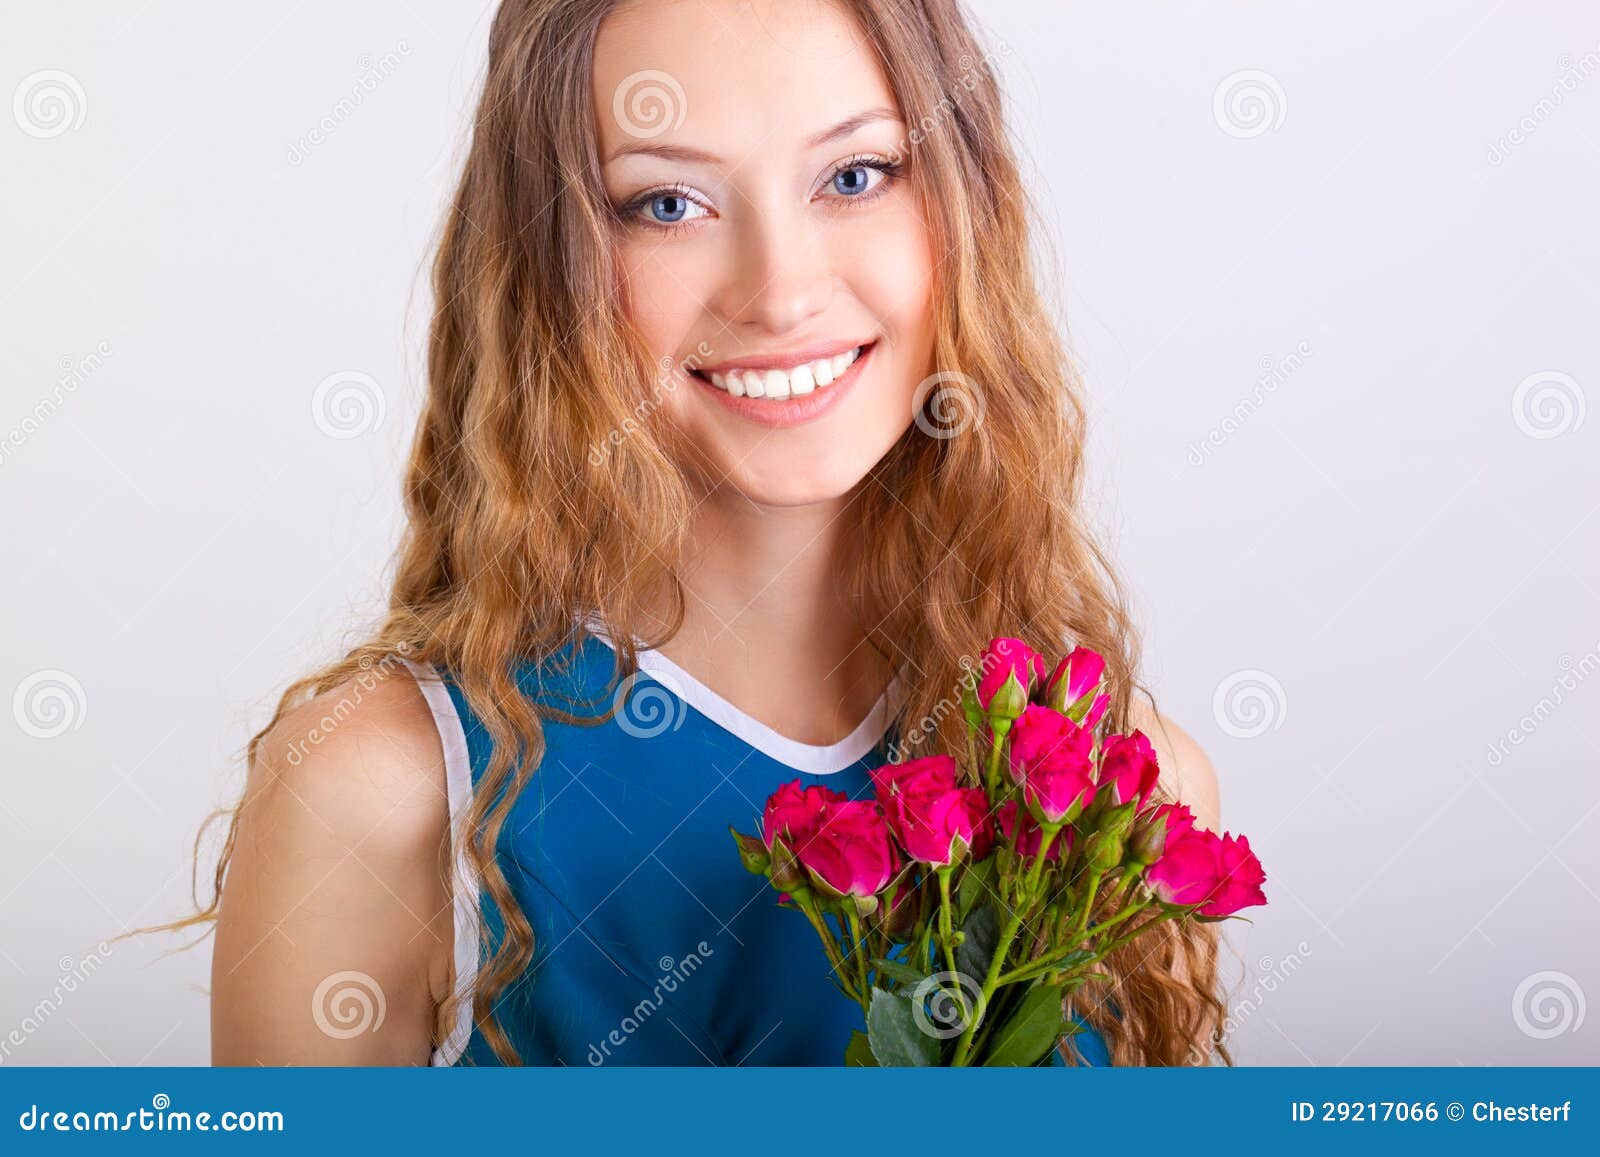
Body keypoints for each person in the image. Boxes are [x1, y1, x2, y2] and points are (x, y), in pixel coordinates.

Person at [193, 0, 1227, 1066]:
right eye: (667, 202)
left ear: (967, 206)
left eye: (855, 175)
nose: (780, 293)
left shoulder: (1127, 795)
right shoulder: (378, 793)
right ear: (549, 265)